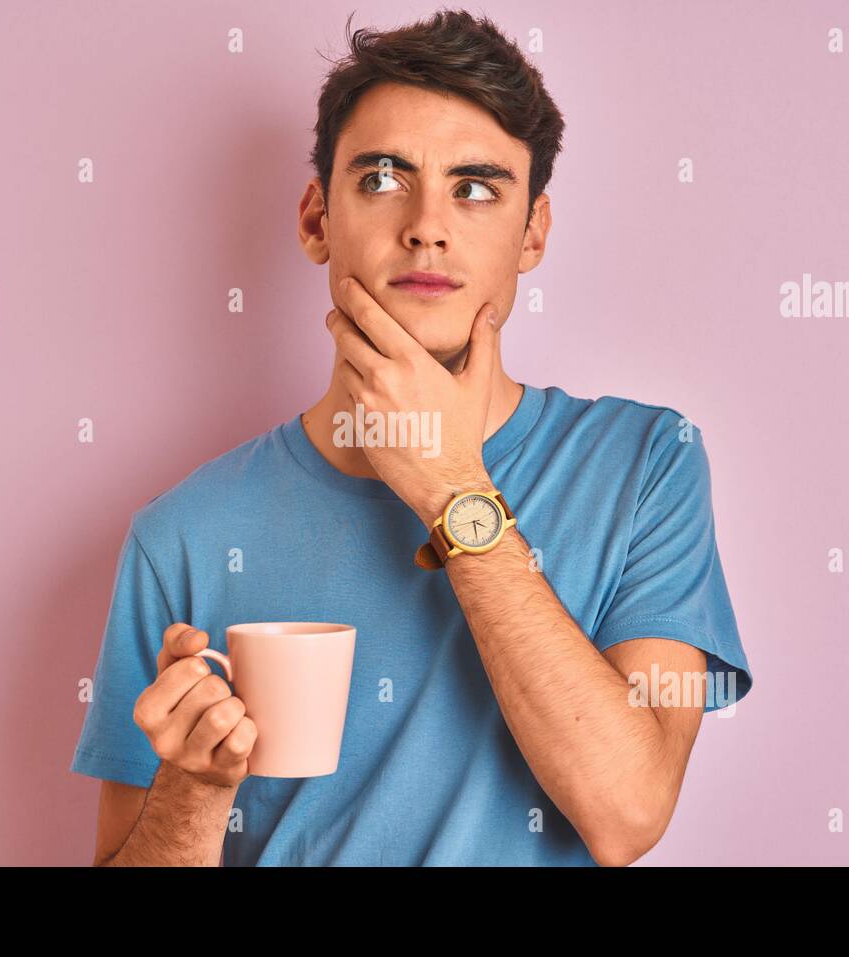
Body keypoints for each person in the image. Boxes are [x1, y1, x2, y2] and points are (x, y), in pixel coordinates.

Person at [70, 9, 753, 866]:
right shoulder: (182, 534)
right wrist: (195, 794)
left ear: (533, 231)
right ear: (318, 219)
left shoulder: (647, 463)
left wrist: (450, 485)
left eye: (476, 188)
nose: (427, 223)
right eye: (385, 178)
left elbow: (628, 812)